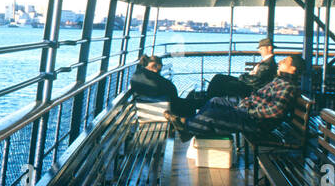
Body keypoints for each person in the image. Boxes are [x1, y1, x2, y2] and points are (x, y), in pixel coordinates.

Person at [167, 54, 303, 140]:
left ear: (293, 69)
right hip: (247, 110)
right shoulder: (279, 81)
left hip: (255, 122)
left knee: (212, 114)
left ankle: (186, 125)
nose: (280, 62)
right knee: (215, 101)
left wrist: (247, 111)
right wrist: (244, 104)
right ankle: (189, 129)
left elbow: (276, 110)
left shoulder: (288, 86)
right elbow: (260, 98)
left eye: (285, 61)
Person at [204, 38, 278, 99]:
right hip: (248, 84)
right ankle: (211, 99)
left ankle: (208, 100)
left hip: (249, 89)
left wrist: (242, 77)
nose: (259, 51)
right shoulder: (267, 62)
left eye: (261, 48)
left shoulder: (269, 63)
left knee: (219, 81)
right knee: (219, 77)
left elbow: (255, 80)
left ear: (269, 48)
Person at [129, 54, 196, 118]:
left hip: (154, 100)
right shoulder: (147, 76)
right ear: (154, 66)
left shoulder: (141, 73)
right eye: (159, 69)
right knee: (190, 105)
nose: (159, 72)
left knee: (189, 103)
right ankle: (188, 124)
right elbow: (157, 87)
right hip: (158, 103)